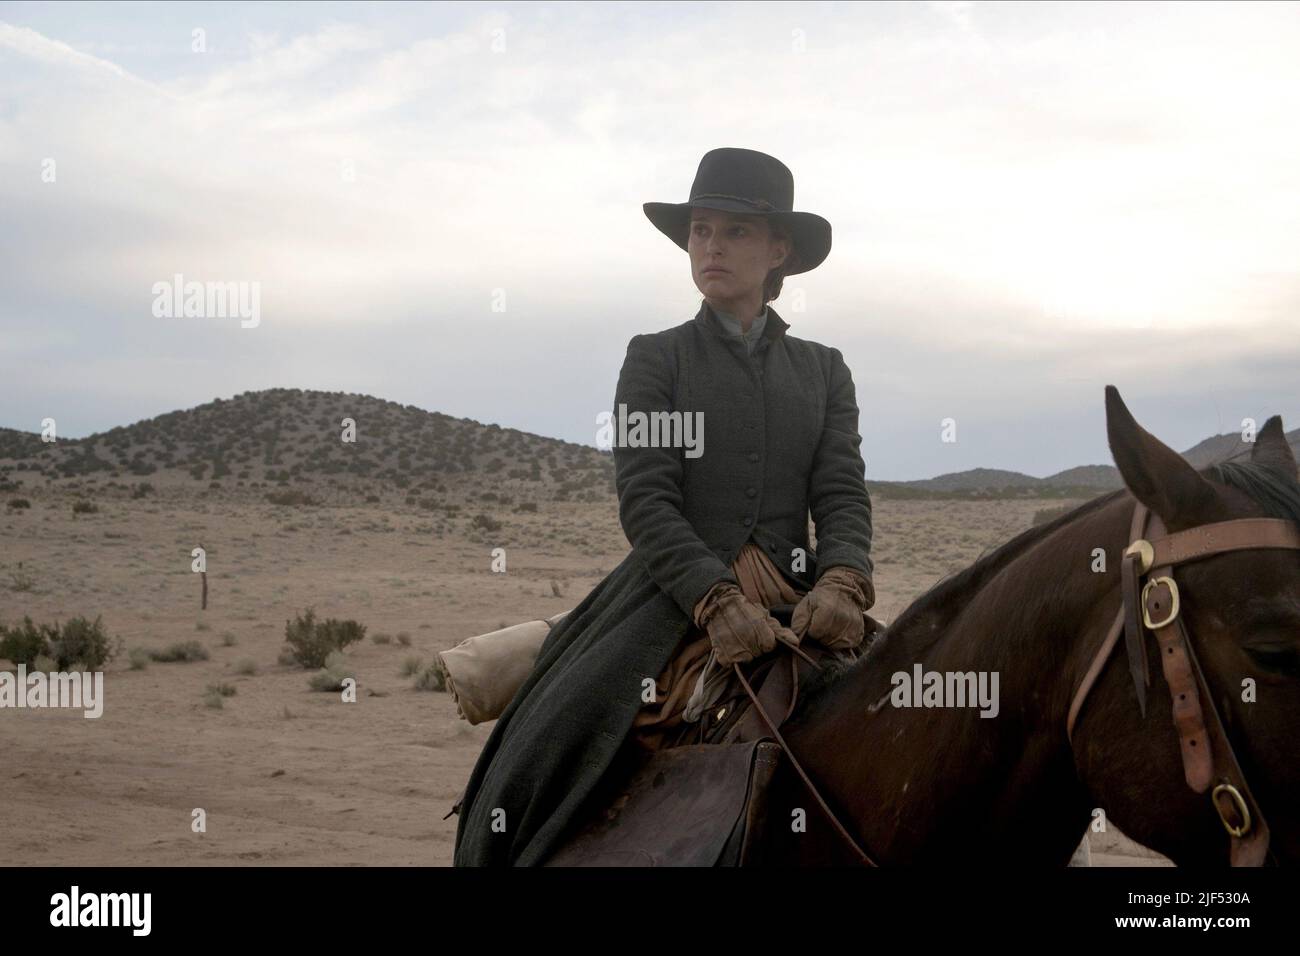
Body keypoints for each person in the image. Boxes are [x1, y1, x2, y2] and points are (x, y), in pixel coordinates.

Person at [453, 147, 876, 866]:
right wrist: (715, 599)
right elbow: (646, 497)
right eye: (700, 231)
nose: (711, 247)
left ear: (778, 250)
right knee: (555, 740)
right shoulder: (656, 358)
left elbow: (841, 490)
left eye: (735, 231)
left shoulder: (825, 370)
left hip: (799, 595)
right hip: (673, 597)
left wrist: (842, 580)